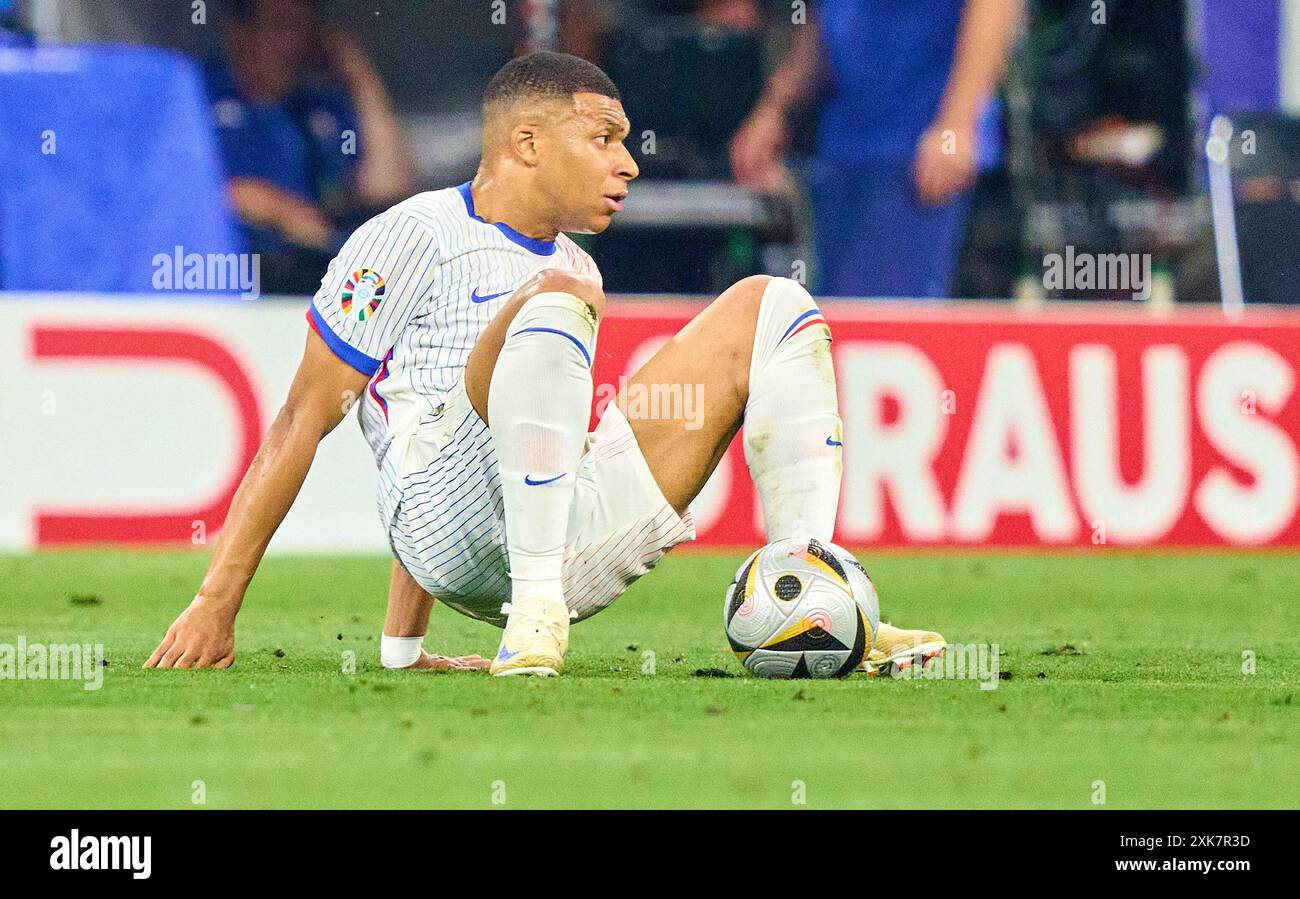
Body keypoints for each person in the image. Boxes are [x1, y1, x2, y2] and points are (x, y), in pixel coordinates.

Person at [145, 51, 945, 677]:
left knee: (774, 305)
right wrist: (216, 602)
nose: (628, 163)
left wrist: (401, 652)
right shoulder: (409, 236)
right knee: (550, 303)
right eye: (604, 139)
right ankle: (532, 619)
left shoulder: (575, 267)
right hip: (440, 528)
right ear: (527, 142)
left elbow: (497, 424)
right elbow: (305, 421)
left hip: (565, 540)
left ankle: (818, 595)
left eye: (625, 142)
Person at [731, 0, 1022, 298]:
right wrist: (776, 108)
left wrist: (957, 125)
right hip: (844, 145)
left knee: (888, 314)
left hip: (916, 152)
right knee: (840, 310)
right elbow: (824, 18)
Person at [205, 0, 414, 293]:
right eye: (280, 27)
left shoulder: (317, 110)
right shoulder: (199, 99)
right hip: (227, 276)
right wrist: (275, 209)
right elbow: (171, 192)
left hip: (317, 276)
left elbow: (387, 189)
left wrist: (359, 74)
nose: (294, 43)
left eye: (304, 29)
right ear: (239, 34)